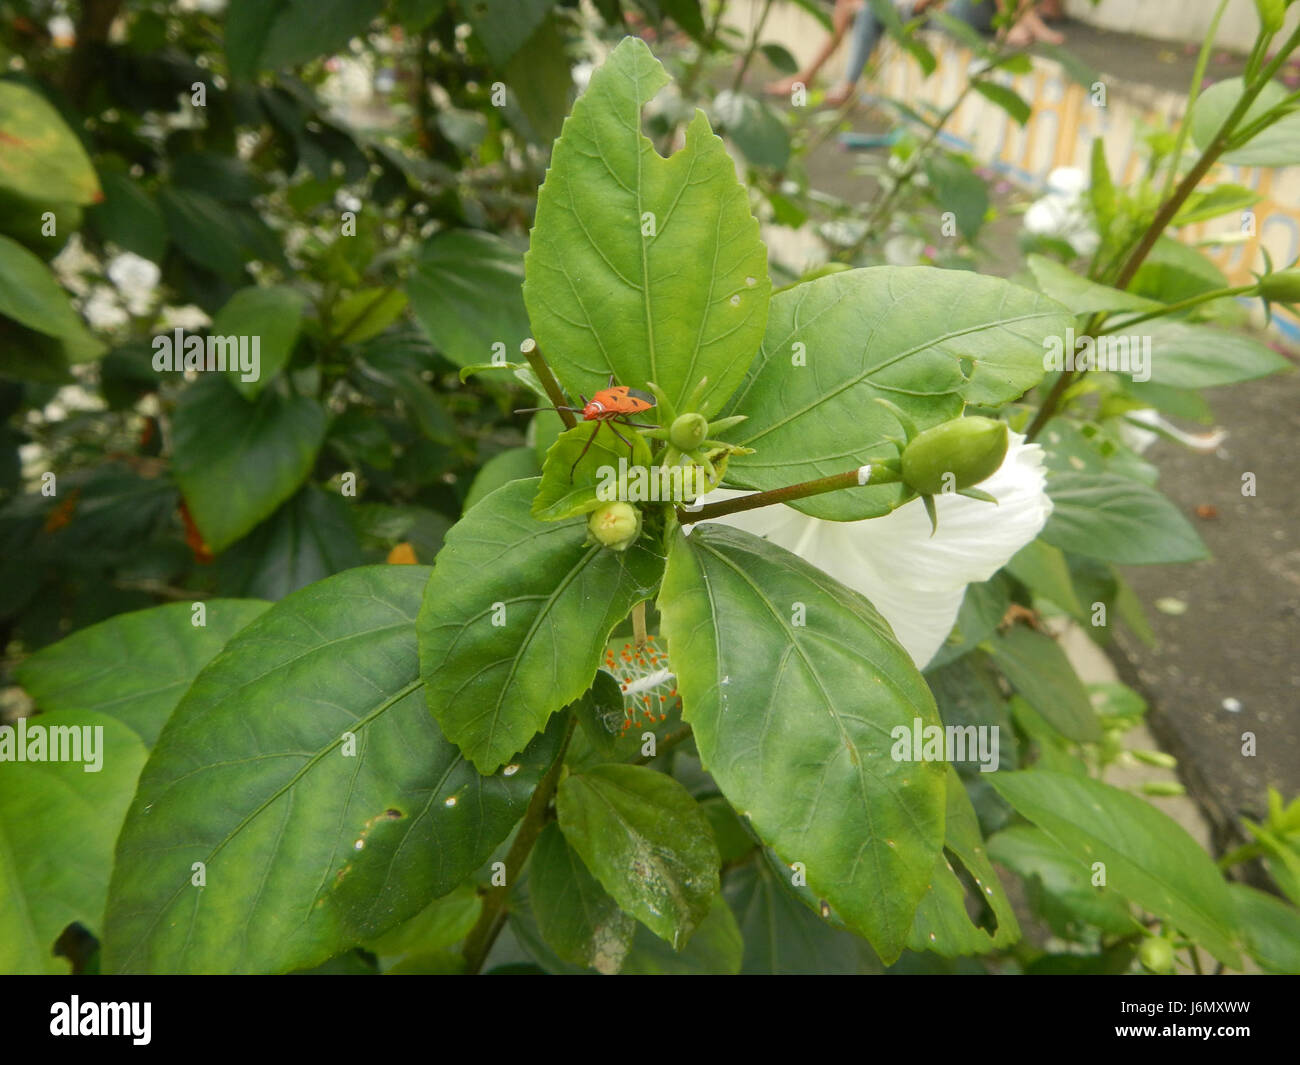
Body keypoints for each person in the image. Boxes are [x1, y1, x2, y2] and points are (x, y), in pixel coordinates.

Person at [765, 0, 1064, 107]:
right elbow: (920, 6)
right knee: (870, 10)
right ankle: (840, 82)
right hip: (943, 14)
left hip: (969, 10)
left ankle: (1023, 22)